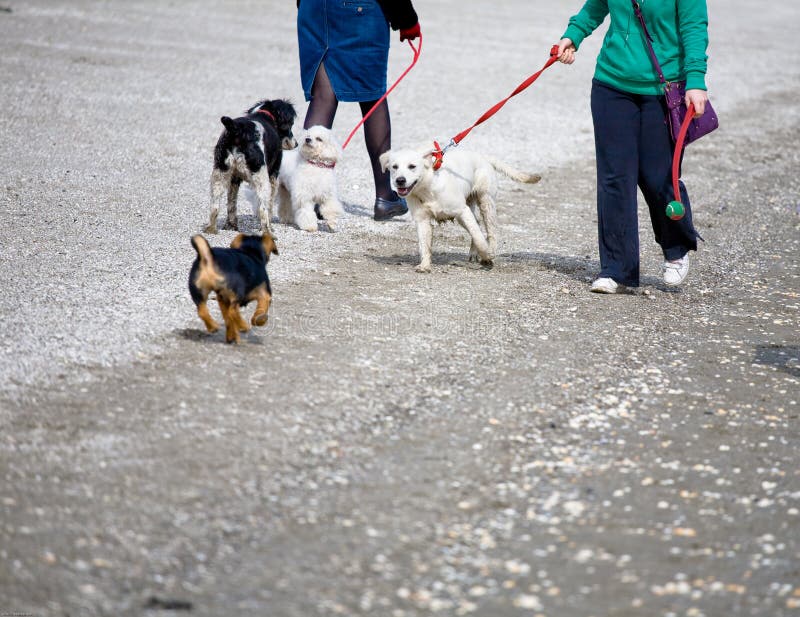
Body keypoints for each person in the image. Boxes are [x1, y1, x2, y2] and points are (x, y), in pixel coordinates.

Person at [556, 0, 709, 293]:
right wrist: (573, 36)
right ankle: (617, 269)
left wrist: (696, 79)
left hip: (664, 89)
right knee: (615, 176)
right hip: (610, 84)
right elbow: (595, 6)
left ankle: (676, 247)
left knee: (658, 177)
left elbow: (693, 26)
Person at [296, 0, 421, 221]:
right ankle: (385, 196)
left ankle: (308, 199)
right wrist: (406, 19)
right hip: (359, 10)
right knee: (373, 98)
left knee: (323, 95)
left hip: (313, 7)